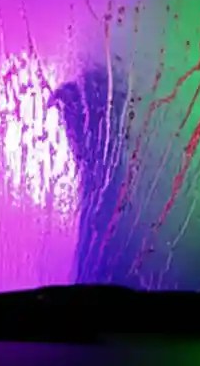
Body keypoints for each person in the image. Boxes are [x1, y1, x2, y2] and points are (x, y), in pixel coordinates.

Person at [51, 64, 138, 287]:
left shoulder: (95, 101)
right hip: (104, 187)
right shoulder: (107, 102)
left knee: (99, 217)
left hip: (104, 189)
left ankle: (94, 280)